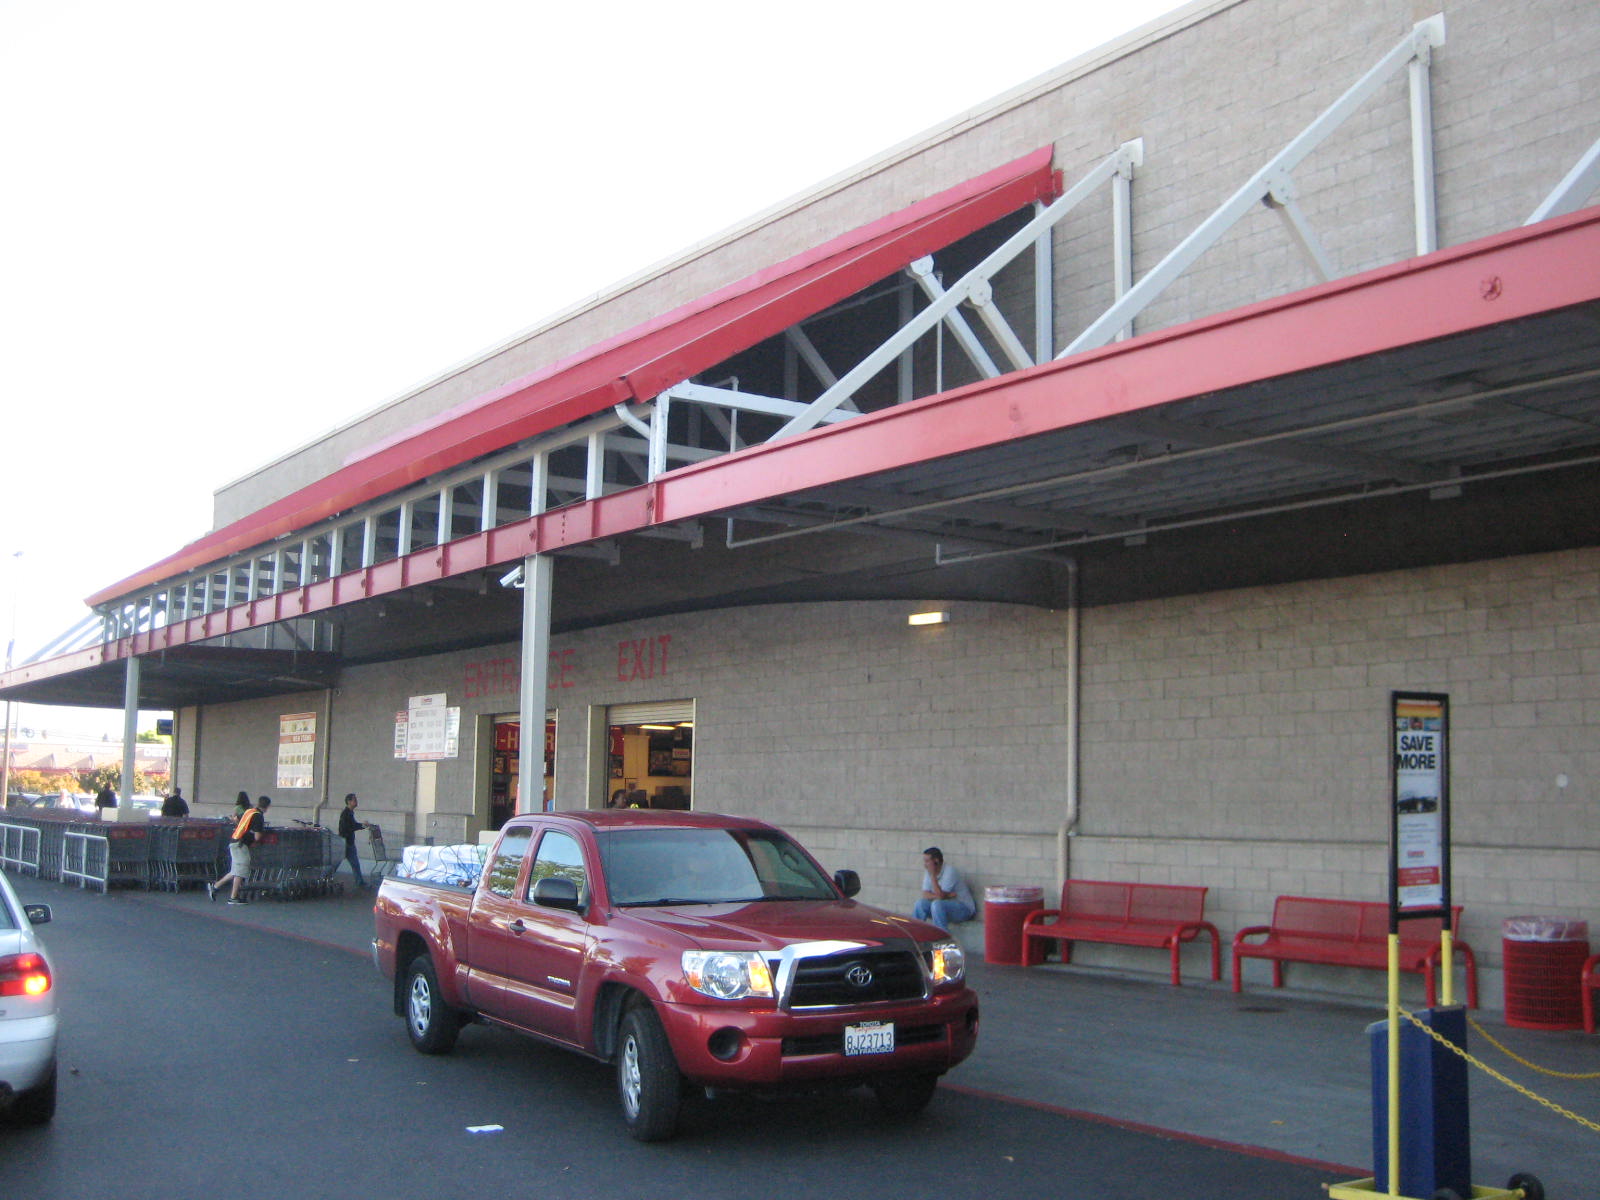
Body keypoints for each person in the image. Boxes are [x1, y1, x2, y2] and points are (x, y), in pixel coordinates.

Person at [210, 796, 270, 905]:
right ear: (267, 807)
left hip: (235, 840)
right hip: (241, 844)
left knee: (236, 870)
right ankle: (233, 897)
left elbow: (237, 819)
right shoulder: (258, 816)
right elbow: (257, 837)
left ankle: (216, 886)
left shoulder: (249, 811)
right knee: (240, 870)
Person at [912, 846, 975, 931]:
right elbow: (925, 894)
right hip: (943, 907)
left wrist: (933, 876)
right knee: (920, 904)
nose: (925, 865)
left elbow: (940, 897)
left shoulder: (950, 872)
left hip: (964, 909)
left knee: (937, 904)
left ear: (936, 861)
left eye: (927, 861)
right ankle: (914, 933)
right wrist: (946, 895)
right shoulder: (928, 872)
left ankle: (941, 938)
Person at [335, 793, 369, 887]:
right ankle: (360, 882)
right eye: (354, 800)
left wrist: (361, 826)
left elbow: (352, 825)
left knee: (352, 863)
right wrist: (362, 826)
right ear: (349, 802)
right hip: (346, 842)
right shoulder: (346, 814)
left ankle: (360, 882)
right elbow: (349, 827)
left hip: (347, 842)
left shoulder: (349, 813)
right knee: (352, 863)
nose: (356, 801)